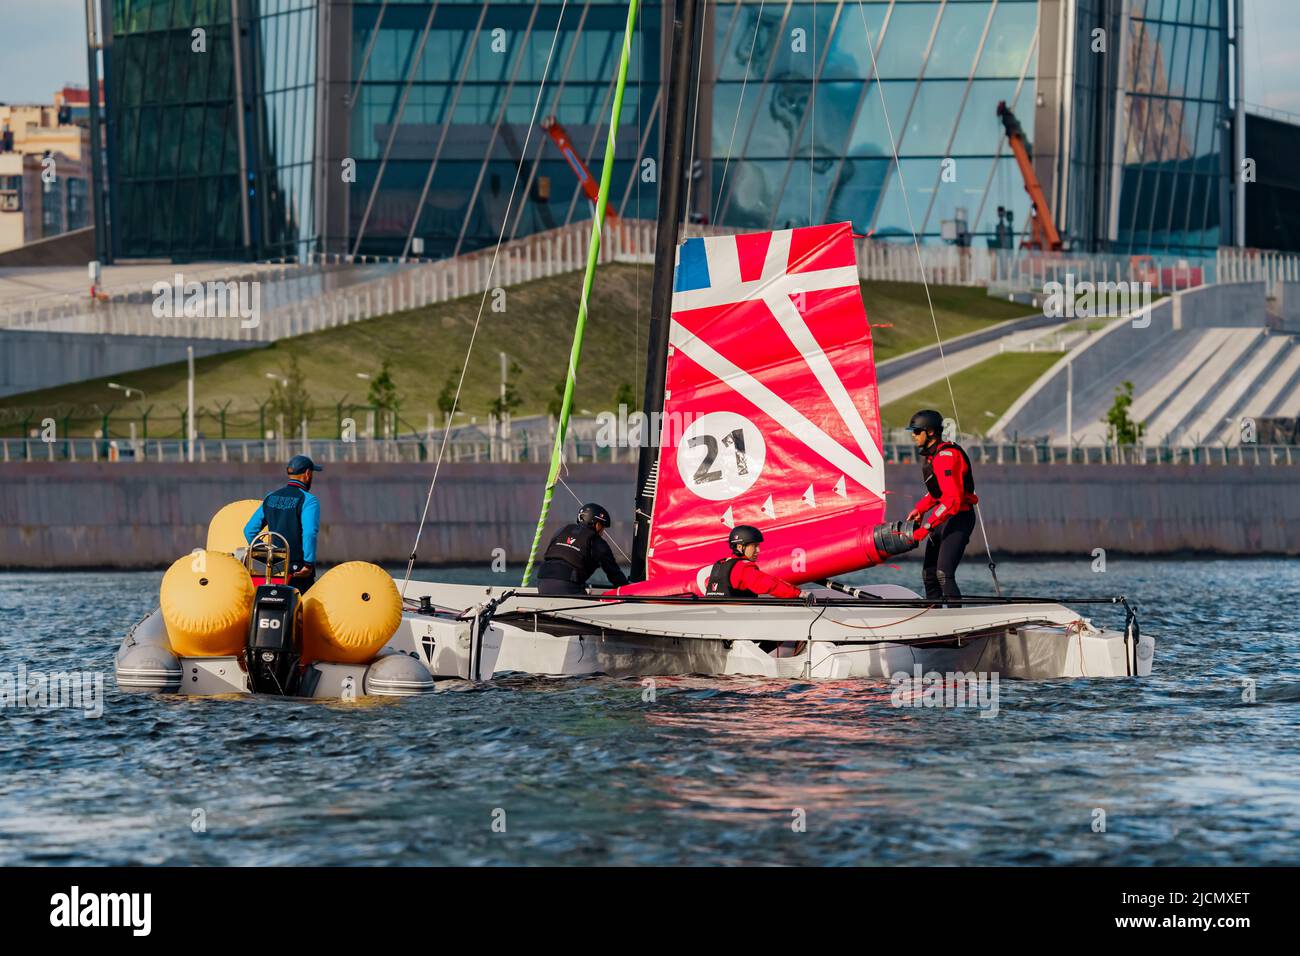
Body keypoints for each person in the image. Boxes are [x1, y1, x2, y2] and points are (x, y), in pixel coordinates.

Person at [904, 409, 979, 605]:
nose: (913, 435)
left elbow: (952, 501)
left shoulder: (947, 455)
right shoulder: (933, 455)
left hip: (958, 518)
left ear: (929, 432)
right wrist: (920, 508)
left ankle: (956, 622)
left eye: (916, 431)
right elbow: (938, 493)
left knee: (943, 573)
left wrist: (927, 526)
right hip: (943, 517)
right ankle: (934, 616)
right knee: (929, 574)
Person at [244, 454, 322, 592]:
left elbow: (249, 530)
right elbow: (309, 533)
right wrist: (308, 565)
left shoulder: (270, 497)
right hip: (298, 569)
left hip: (274, 566)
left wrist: (265, 555)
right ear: (308, 474)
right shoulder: (309, 500)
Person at [537, 503, 629, 595]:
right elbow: (614, 573)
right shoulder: (596, 541)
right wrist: (628, 590)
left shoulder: (562, 531)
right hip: (567, 587)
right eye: (602, 527)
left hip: (542, 584)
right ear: (596, 525)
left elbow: (549, 554)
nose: (602, 533)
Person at [704, 525, 802, 599]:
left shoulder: (721, 564)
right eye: (754, 546)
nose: (758, 550)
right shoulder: (742, 567)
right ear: (740, 547)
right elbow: (768, 585)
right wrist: (798, 593)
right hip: (739, 619)